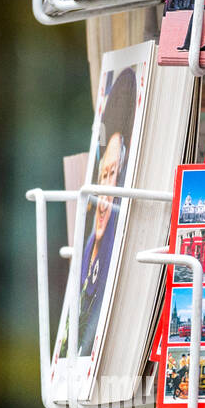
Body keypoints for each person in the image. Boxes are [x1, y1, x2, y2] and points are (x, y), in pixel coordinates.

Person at [75, 69, 136, 356]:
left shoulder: (118, 254)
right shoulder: (86, 252)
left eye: (113, 175)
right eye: (102, 175)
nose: (102, 199)